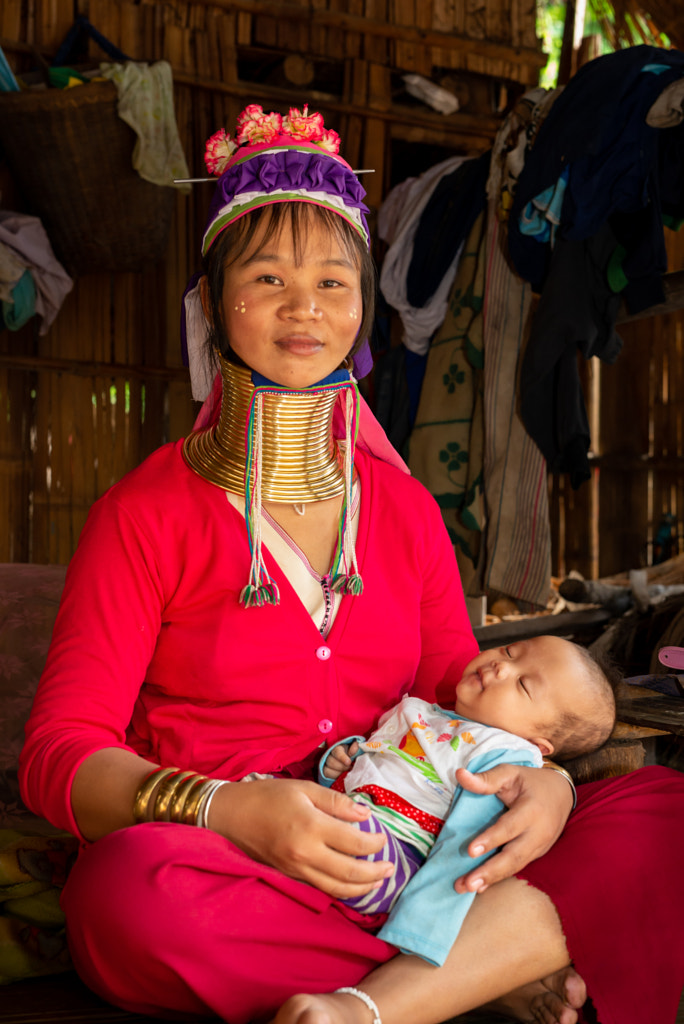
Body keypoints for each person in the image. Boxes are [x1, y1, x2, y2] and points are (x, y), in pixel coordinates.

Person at [17, 104, 684, 1024]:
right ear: (214, 302)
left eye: (335, 280)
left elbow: (467, 681)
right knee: (125, 896)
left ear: (364, 306)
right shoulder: (142, 516)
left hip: (426, 857)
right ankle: (480, 974)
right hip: (239, 869)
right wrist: (233, 812)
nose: (306, 307)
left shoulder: (401, 509)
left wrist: (553, 784)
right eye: (268, 276)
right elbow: (61, 758)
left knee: (662, 813)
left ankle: (387, 999)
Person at [317, 635, 616, 965]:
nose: (501, 666)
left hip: (403, 851)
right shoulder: (430, 716)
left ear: (536, 744)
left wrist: (422, 927)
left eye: (524, 685)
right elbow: (384, 760)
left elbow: (465, 844)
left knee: (359, 852)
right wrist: (340, 764)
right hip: (354, 813)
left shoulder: (498, 757)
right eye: (510, 650)